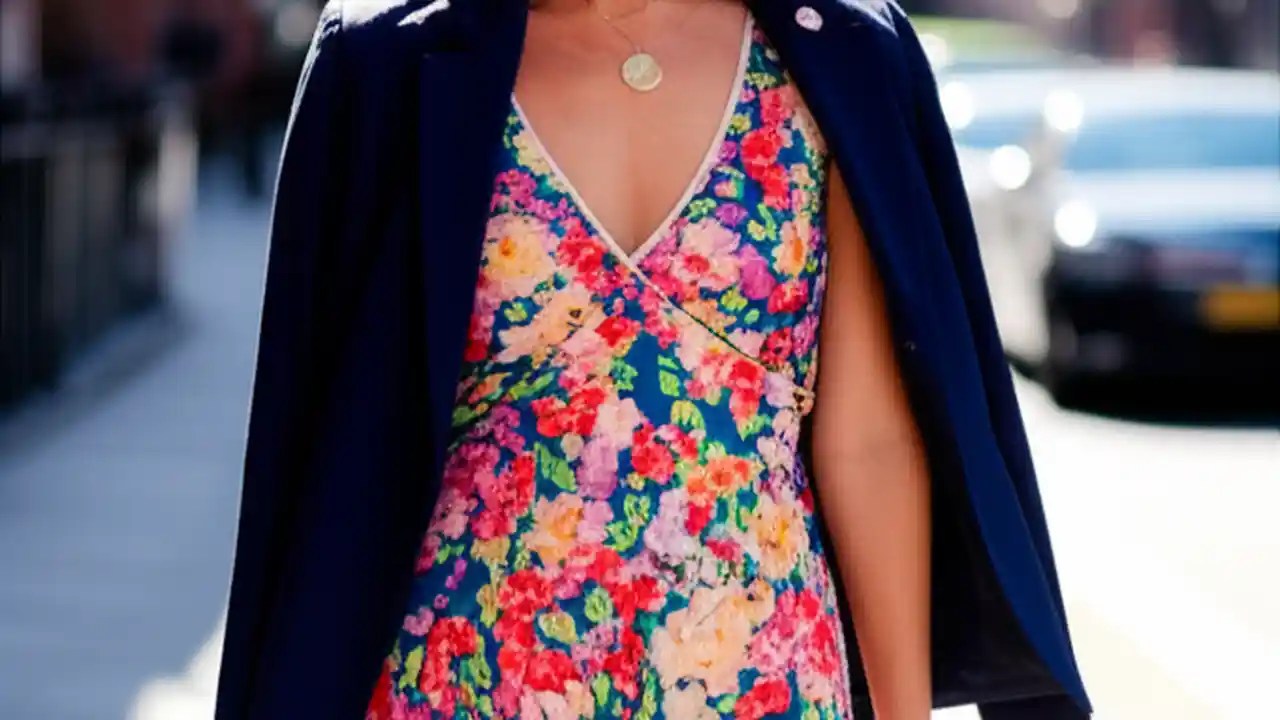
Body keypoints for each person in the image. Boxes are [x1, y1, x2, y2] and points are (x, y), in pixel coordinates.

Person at [214, 1, 1094, 719]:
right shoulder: (385, 62)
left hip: (765, 679)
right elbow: (312, 449)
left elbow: (867, 441)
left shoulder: (839, 55)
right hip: (466, 677)